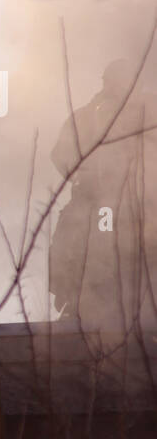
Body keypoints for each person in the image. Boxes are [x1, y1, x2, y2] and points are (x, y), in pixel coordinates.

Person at [48, 59, 153, 329]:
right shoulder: (86, 116)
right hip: (98, 203)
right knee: (81, 242)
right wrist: (88, 177)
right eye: (114, 80)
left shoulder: (151, 110)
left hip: (145, 202)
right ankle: (79, 304)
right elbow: (62, 154)